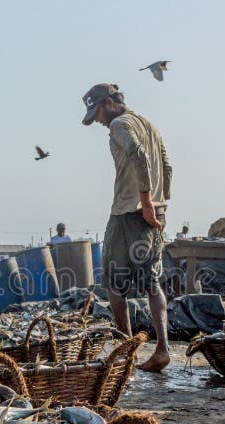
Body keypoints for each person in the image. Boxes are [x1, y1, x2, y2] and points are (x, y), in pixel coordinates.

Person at [82, 82, 172, 372]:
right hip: (154, 214)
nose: (97, 120)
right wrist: (159, 204)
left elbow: (138, 155)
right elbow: (167, 167)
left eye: (97, 112)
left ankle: (126, 352)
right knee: (151, 282)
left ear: (108, 103)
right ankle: (162, 350)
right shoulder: (149, 124)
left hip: (127, 212)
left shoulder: (119, 124)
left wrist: (145, 202)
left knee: (113, 282)